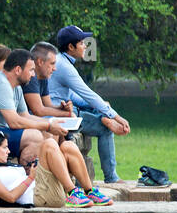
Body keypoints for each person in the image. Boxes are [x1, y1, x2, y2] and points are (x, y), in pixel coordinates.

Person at [0, 49, 112, 207]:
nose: (33, 75)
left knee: (63, 143)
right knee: (35, 136)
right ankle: (37, 179)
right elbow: (14, 122)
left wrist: (57, 120)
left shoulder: (16, 87)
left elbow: (25, 116)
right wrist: (48, 124)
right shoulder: (0, 84)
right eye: (31, 70)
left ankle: (87, 190)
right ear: (18, 70)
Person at [25, 40, 117, 187]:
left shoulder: (43, 78)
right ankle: (69, 188)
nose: (55, 69)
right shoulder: (32, 79)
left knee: (67, 144)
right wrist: (66, 115)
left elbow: (48, 104)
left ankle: (84, 189)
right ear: (40, 62)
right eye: (52, 64)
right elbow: (38, 110)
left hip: (41, 120)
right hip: (30, 123)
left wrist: (62, 109)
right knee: (56, 133)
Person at [47, 26, 130, 184]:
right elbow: (88, 94)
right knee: (105, 128)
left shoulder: (62, 62)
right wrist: (116, 116)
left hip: (69, 109)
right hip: (60, 116)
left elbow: (72, 95)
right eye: (82, 43)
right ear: (71, 47)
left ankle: (102, 116)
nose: (86, 46)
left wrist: (101, 108)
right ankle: (111, 177)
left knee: (95, 108)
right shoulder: (64, 66)